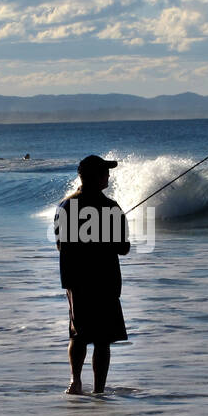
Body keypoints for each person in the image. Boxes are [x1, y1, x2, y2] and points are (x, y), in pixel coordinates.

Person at [54, 155, 130, 395]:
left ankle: (75, 382)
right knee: (102, 339)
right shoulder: (111, 207)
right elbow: (124, 248)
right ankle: (99, 390)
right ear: (95, 177)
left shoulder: (65, 206)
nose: (108, 176)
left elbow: (61, 246)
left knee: (78, 334)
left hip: (76, 281)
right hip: (105, 281)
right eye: (105, 172)